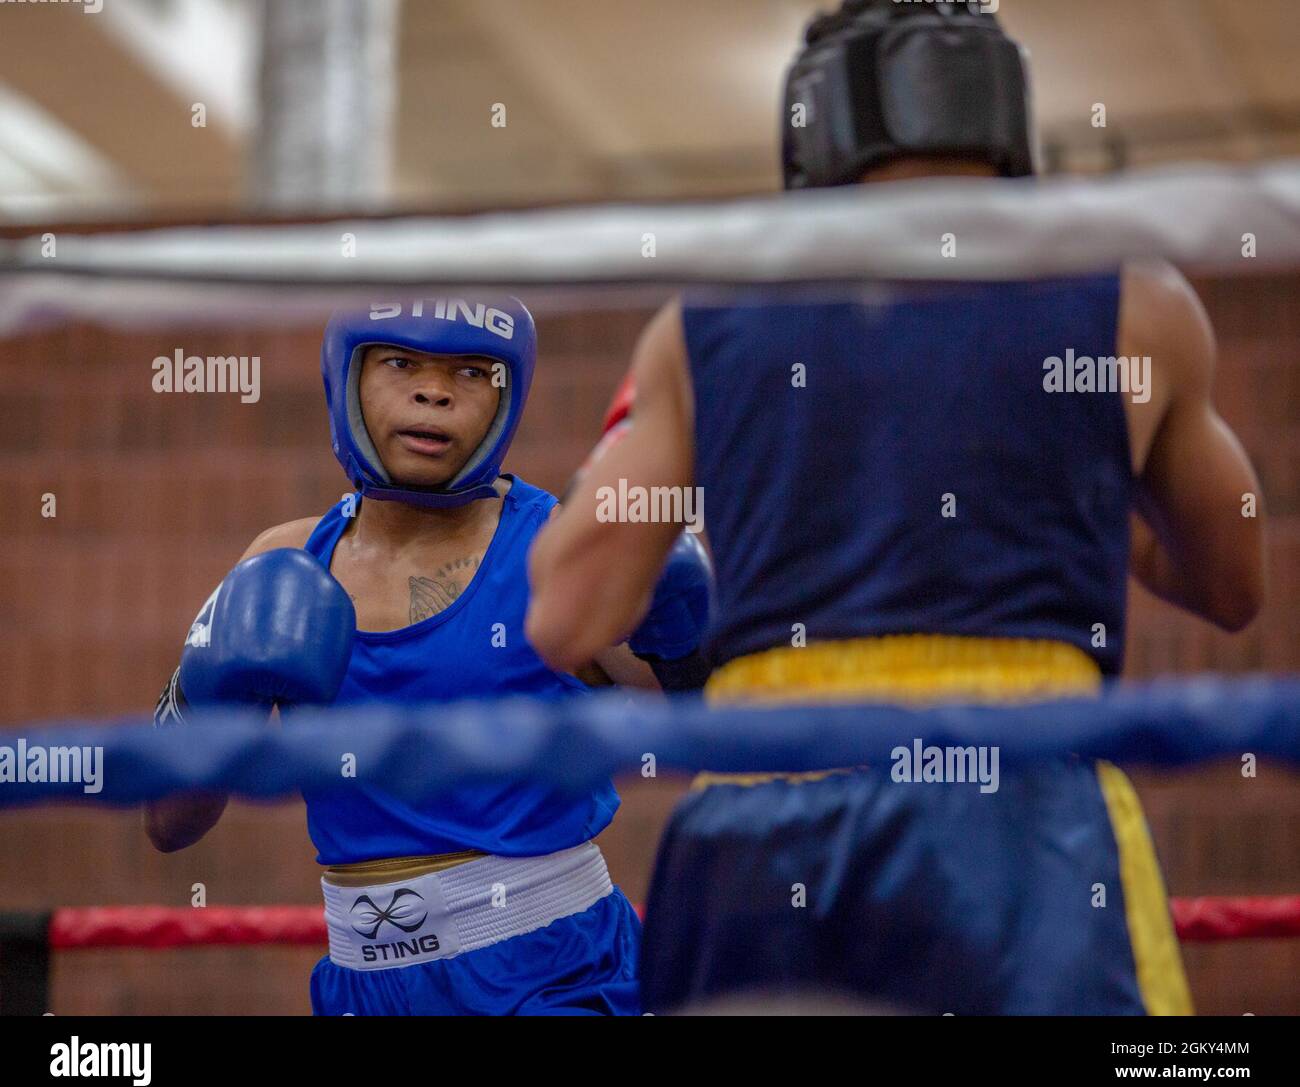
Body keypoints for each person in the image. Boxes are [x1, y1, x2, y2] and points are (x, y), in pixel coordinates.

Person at [526, 0, 1265, 1014]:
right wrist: (1079, 481)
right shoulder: (1139, 295)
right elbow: (1233, 582)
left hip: (773, 792)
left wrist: (640, 450)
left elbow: (565, 614)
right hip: (1019, 797)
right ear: (1001, 108)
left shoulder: (710, 312)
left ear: (813, 122)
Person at [146, 295, 688, 1015]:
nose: (434, 390)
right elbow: (169, 822)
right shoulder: (284, 562)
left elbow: (713, 739)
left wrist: (688, 641)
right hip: (361, 986)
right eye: (401, 363)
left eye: (470, 371)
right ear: (347, 379)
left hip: (551, 976)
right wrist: (207, 697)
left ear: (507, 393)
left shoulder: (558, 552)